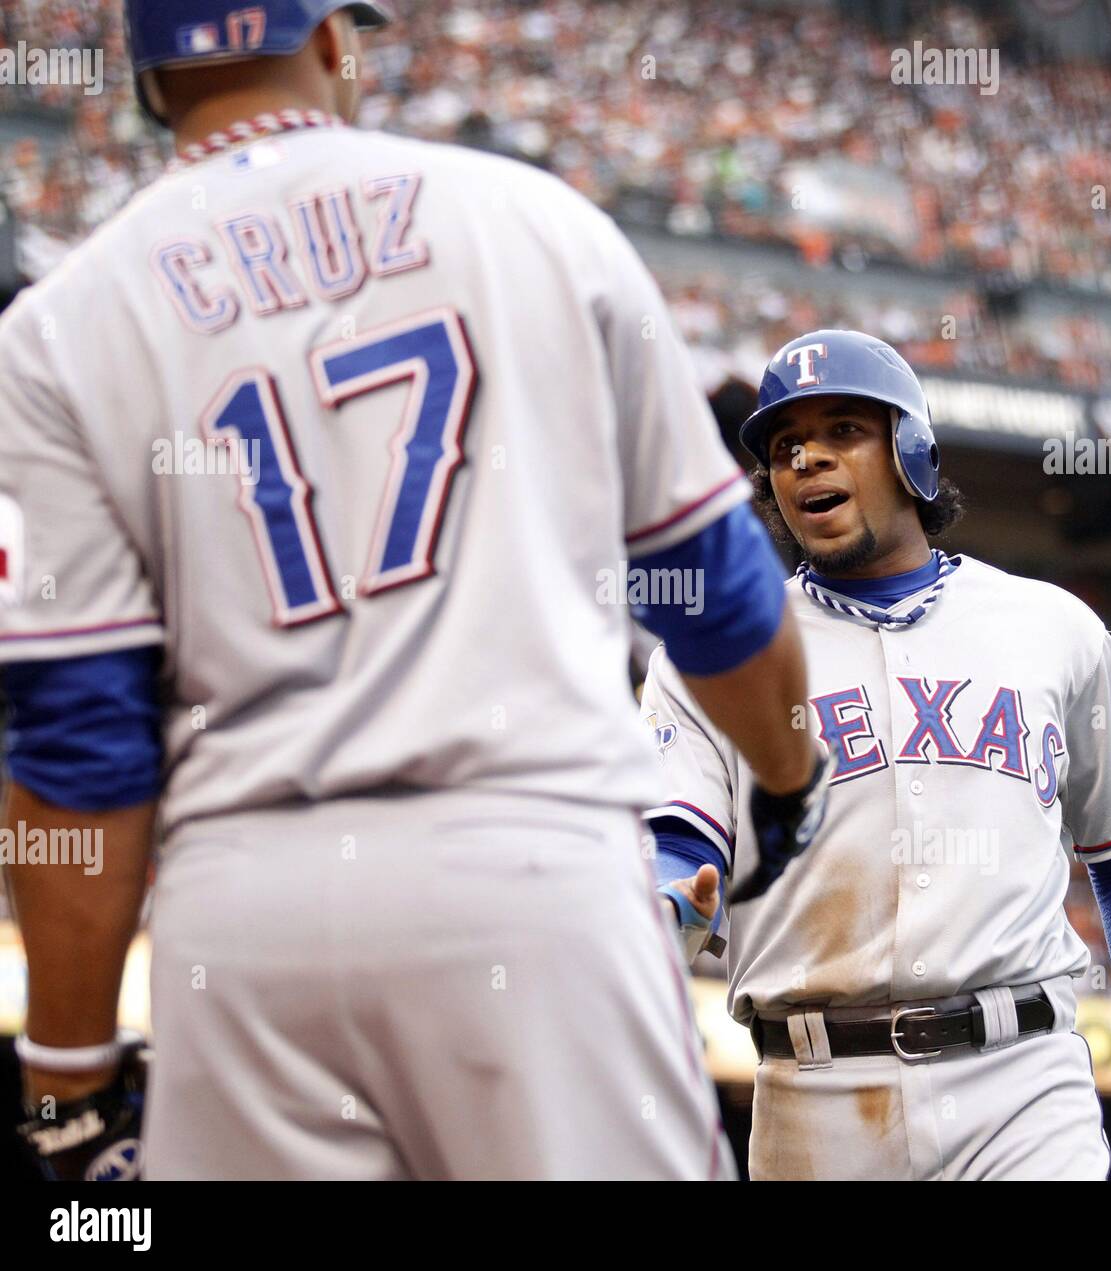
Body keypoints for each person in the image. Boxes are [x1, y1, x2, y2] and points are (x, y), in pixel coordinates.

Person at [0, 1, 827, 1181]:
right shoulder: (535, 218)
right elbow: (714, 590)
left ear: (148, 85)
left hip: (242, 922)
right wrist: (786, 780)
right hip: (531, 881)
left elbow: (81, 743)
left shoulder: (54, 328)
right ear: (334, 43)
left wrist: (67, 1068)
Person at [645, 329, 1111, 1180]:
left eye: (843, 429)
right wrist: (670, 899)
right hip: (813, 1101)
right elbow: (681, 844)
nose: (807, 456)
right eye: (785, 445)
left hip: (1022, 1086)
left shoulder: (1049, 624)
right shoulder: (718, 653)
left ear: (909, 451)